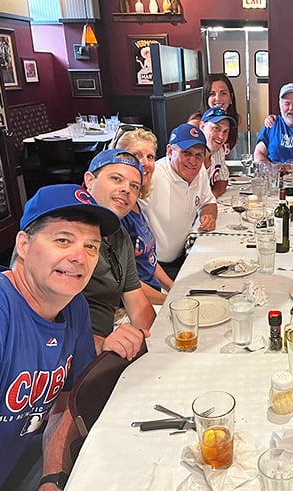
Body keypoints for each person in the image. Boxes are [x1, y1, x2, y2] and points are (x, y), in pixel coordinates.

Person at [0, 184, 120, 491]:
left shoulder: (72, 305)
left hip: (15, 477)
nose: (79, 257)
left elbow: (64, 405)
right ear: (23, 244)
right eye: (63, 240)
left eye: (91, 246)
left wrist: (52, 481)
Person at [82, 149, 156, 357]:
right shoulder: (68, 228)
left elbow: (138, 305)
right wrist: (99, 344)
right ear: (89, 180)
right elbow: (42, 323)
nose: (126, 190)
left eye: (134, 186)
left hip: (107, 349)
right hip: (73, 363)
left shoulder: (119, 235)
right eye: (116, 179)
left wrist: (157, 346)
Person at [141, 123, 217, 279]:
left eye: (198, 155)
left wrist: (209, 215)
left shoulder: (199, 171)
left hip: (184, 256)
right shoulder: (152, 177)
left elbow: (209, 202)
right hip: (154, 268)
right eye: (186, 153)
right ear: (170, 151)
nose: (193, 161)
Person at [116, 128, 173, 304]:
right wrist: (169, 300)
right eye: (136, 155)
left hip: (153, 295)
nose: (145, 163)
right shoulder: (118, 213)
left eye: (150, 157)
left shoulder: (135, 203)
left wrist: (175, 288)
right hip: (131, 306)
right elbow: (124, 284)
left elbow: (150, 260)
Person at [188, 73, 240, 154]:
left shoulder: (235, 119)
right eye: (212, 94)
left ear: (231, 97)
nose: (218, 98)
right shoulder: (195, 124)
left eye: (223, 93)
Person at [198, 106, 237, 197]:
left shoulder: (219, 151)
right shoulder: (189, 155)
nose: (221, 136)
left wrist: (212, 196)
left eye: (225, 131)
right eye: (216, 128)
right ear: (202, 126)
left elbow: (222, 180)